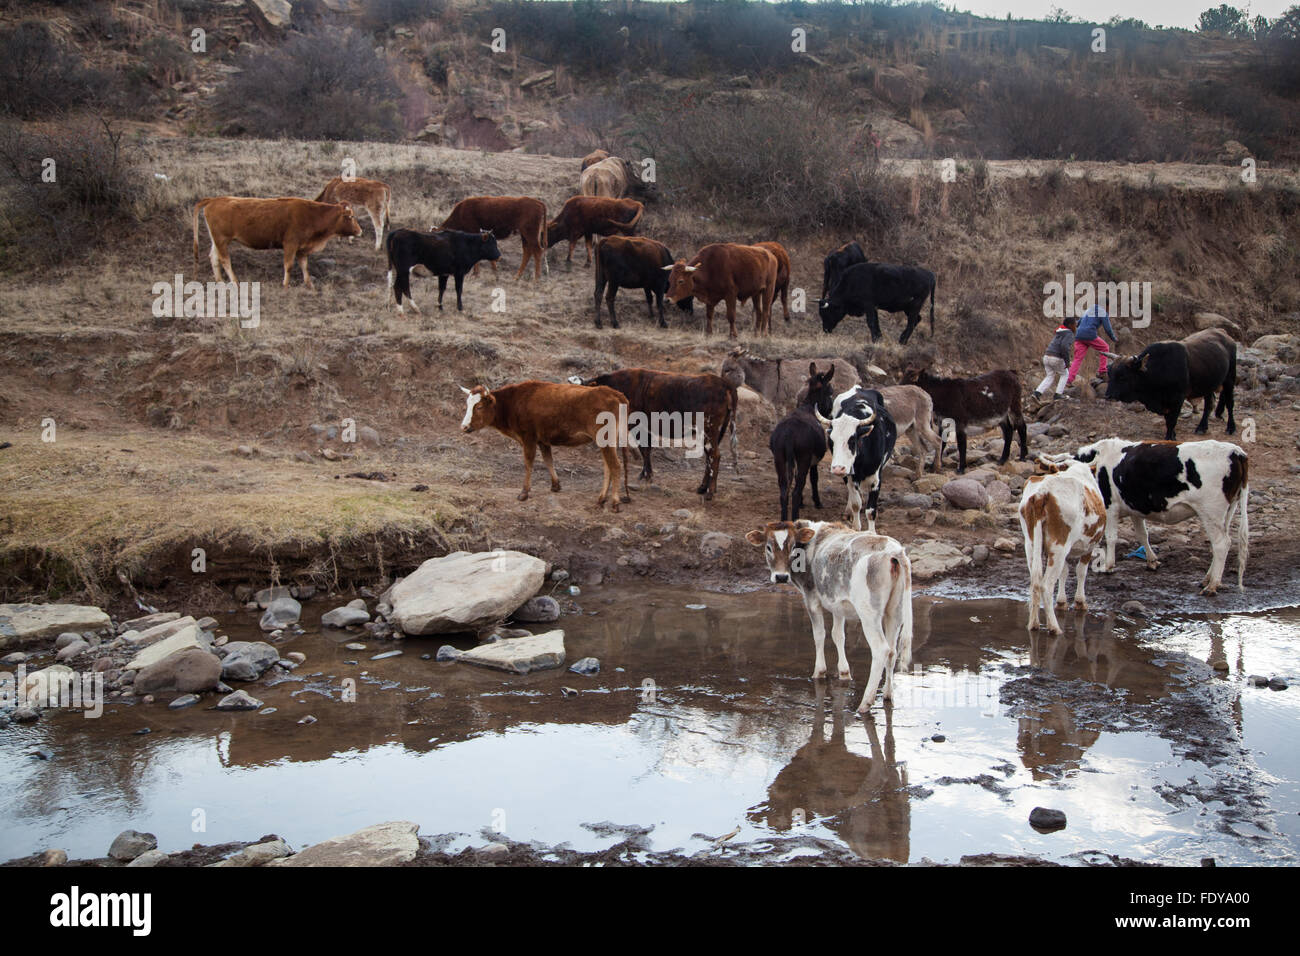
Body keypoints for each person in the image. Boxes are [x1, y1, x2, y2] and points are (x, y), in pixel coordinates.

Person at [1066, 303, 1118, 387]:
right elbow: (1107, 328)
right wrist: (1114, 338)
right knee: (1105, 347)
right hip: (1090, 334)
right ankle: (1102, 371)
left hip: (1079, 335)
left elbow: (1078, 322)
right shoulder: (1103, 312)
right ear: (1107, 305)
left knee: (1077, 359)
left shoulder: (1089, 309)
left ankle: (1068, 381)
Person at [1031, 316, 1076, 406]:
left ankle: (1037, 393)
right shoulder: (1069, 333)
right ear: (1070, 325)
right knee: (1065, 374)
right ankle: (1058, 395)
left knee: (1050, 376)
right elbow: (1064, 347)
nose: (1076, 327)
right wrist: (1067, 362)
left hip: (1047, 357)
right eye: (1075, 324)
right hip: (1056, 358)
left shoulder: (1059, 332)